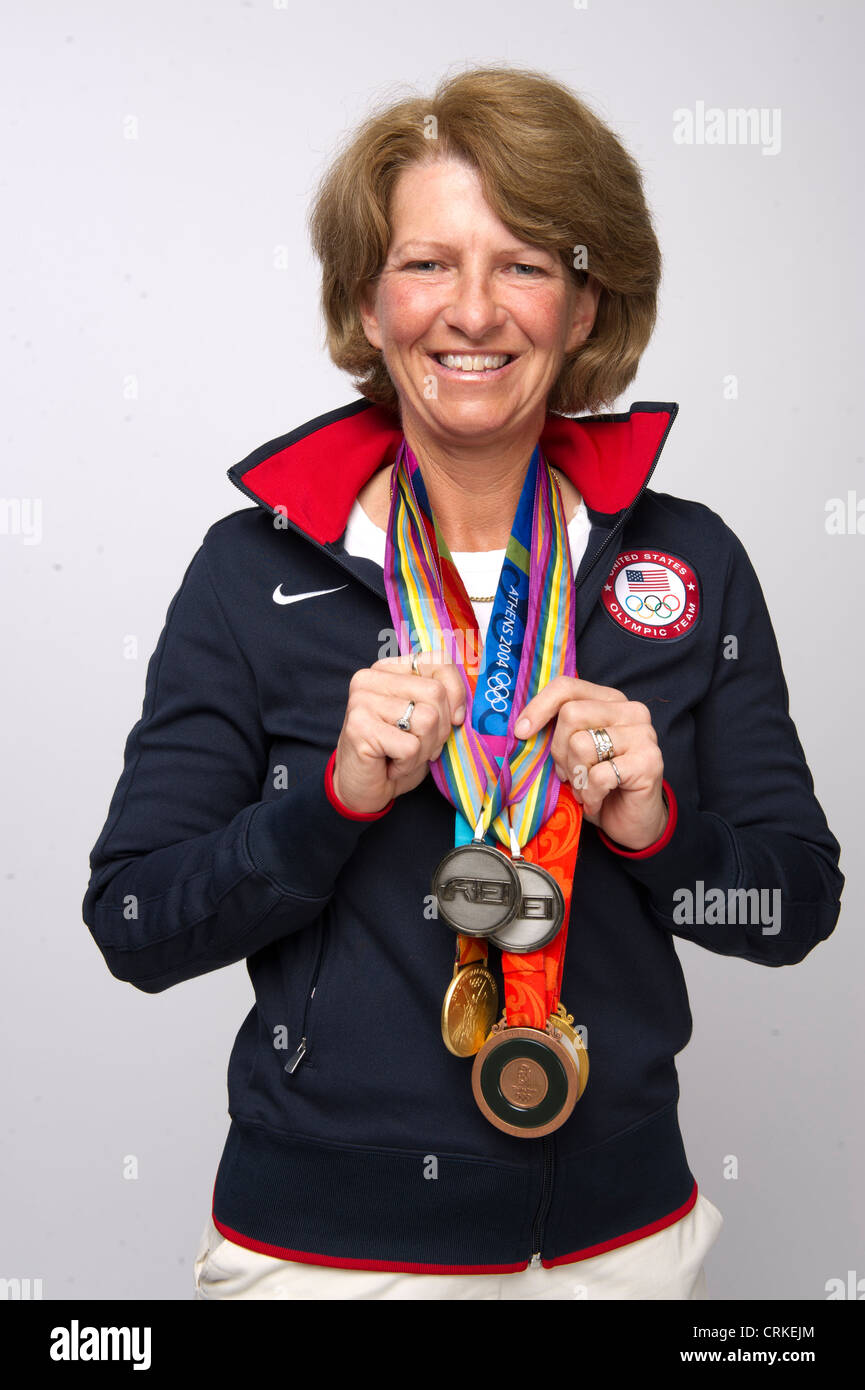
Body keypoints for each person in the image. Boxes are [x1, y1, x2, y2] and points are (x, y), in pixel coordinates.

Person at [82, 66, 843, 1300]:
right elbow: (135, 929)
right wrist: (329, 802)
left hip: (622, 1244)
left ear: (586, 305)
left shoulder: (688, 560)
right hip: (329, 1256)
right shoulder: (246, 572)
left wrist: (660, 836)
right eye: (427, 264)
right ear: (367, 305)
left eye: (527, 264)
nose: (474, 312)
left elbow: (794, 909)